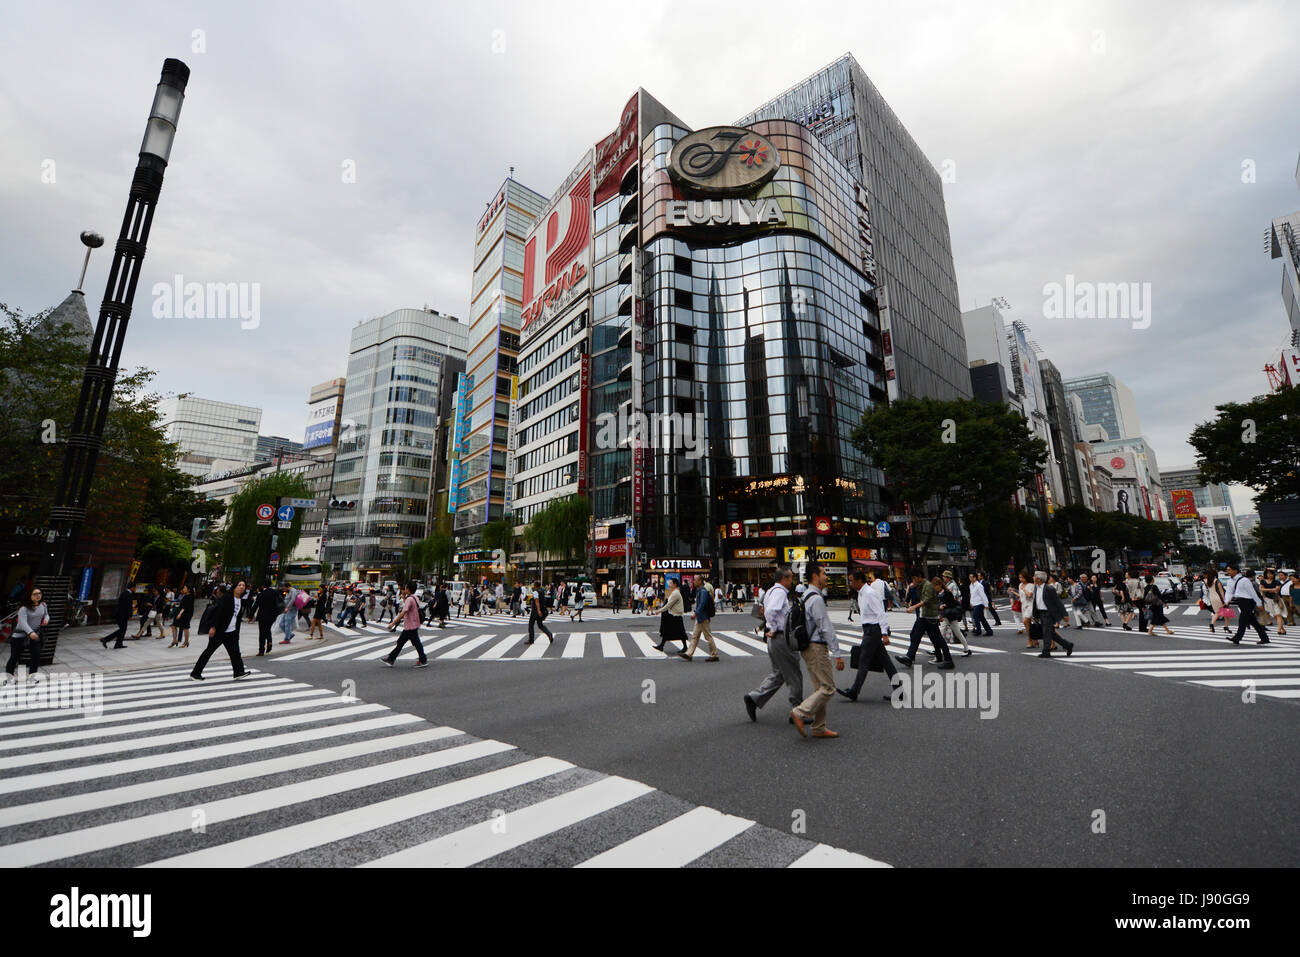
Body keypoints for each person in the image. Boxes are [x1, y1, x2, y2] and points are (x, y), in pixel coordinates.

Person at [743, 567, 804, 724]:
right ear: (784, 578)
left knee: (779, 673)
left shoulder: (770, 591)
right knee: (794, 675)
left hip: (774, 639)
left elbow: (762, 610)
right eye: (791, 577)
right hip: (781, 638)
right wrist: (774, 628)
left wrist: (770, 627)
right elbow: (770, 611)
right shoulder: (780, 592)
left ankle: (754, 698)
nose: (792, 581)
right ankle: (797, 711)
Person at [790, 564, 843, 738]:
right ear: (814, 576)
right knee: (828, 688)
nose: (826, 576)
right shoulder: (817, 599)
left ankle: (819, 727)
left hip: (806, 647)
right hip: (816, 647)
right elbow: (825, 627)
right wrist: (837, 654)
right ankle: (800, 712)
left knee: (819, 687)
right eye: (823, 573)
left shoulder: (805, 595)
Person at [838, 568, 898, 702]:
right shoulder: (861, 593)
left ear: (859, 581)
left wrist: (884, 633)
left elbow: (880, 613)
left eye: (852, 581)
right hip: (869, 630)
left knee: (863, 660)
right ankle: (899, 690)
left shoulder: (870, 593)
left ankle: (854, 691)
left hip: (873, 630)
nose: (850, 583)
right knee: (885, 661)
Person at [191, 580, 252, 681]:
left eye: (243, 585)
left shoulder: (240, 600)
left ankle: (238, 672)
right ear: (234, 587)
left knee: (235, 653)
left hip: (231, 632)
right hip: (220, 631)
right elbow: (218, 612)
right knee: (208, 652)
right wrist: (213, 627)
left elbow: (236, 618)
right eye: (239, 585)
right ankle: (195, 673)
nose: (241, 587)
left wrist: (236, 632)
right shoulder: (227, 597)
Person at [896, 571, 954, 670]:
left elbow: (926, 600)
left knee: (936, 638)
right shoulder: (921, 585)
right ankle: (910, 657)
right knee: (917, 635)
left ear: (919, 576)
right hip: (925, 616)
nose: (913, 580)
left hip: (929, 616)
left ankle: (948, 660)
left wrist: (913, 607)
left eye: (914, 578)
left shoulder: (927, 585)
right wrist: (912, 587)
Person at [380, 583, 429, 668]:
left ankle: (423, 660)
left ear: (408, 589)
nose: (404, 590)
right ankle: (391, 658)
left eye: (405, 588)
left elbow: (403, 612)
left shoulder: (410, 599)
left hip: (410, 625)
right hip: (412, 624)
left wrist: (393, 623)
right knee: (402, 642)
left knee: (414, 643)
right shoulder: (415, 597)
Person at [5, 587, 48, 679]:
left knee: (36, 656)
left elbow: (46, 614)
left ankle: (32, 675)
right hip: (19, 636)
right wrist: (30, 632)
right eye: (35, 594)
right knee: (14, 657)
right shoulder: (23, 609)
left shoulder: (43, 605)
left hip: (35, 635)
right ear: (29, 596)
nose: (38, 595)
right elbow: (23, 623)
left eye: (39, 593)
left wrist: (46, 619)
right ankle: (9, 675)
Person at [1031, 571, 1074, 658]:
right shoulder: (1036, 587)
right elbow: (1036, 601)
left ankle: (1046, 651)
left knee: (1046, 632)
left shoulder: (1049, 588)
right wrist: (1035, 615)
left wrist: (1065, 615)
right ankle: (1068, 645)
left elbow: (1058, 602)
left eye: (1034, 576)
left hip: (1049, 613)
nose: (1033, 577)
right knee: (1051, 633)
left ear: (1039, 579)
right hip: (1041, 613)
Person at [1225, 564, 1269, 645]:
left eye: (1229, 570)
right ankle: (1265, 638)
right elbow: (1229, 593)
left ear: (1235, 570)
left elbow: (1252, 592)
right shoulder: (1230, 581)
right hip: (1240, 602)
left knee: (1242, 620)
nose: (1228, 572)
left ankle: (1237, 638)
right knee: (1253, 621)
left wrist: (1259, 603)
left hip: (1248, 602)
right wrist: (1226, 602)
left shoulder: (1244, 580)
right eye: (1227, 570)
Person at [680, 573, 719, 662]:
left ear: (700, 581)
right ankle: (689, 654)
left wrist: (696, 613)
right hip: (700, 617)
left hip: (703, 617)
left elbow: (702, 604)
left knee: (708, 637)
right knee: (695, 636)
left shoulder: (703, 591)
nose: (693, 581)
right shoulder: (700, 591)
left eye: (695, 580)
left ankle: (714, 654)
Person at [938, 570, 971, 657]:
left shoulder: (952, 586)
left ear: (948, 577)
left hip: (950, 612)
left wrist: (945, 605)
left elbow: (955, 599)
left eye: (944, 577)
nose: (943, 578)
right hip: (949, 612)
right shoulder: (948, 586)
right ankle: (966, 649)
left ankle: (937, 649)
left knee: (943, 630)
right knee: (956, 631)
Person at [653, 577, 689, 653]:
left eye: (671, 583)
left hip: (676, 615)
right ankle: (661, 646)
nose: (669, 584)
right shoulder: (674, 592)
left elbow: (668, 605)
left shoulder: (675, 593)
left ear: (675, 584)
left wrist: (659, 610)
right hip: (674, 615)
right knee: (669, 631)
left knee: (680, 632)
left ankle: (685, 647)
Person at [250, 583, 281, 656]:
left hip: (262, 615)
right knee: (267, 629)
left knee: (262, 632)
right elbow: (279, 602)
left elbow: (255, 605)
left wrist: (251, 616)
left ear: (263, 586)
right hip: (272, 615)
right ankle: (269, 641)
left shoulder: (261, 594)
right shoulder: (275, 592)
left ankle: (261, 650)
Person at [100, 584, 134, 649]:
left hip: (119, 614)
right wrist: (130, 615)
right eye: (134, 588)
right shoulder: (128, 595)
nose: (134, 589)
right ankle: (106, 639)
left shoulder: (123, 593)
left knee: (123, 630)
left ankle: (118, 644)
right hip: (123, 615)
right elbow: (128, 606)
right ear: (132, 587)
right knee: (122, 630)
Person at [526, 580, 554, 645]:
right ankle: (549, 633)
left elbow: (537, 602)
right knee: (540, 625)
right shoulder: (541, 591)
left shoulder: (535, 592)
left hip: (536, 611)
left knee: (531, 625)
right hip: (542, 610)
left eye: (534, 584)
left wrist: (538, 610)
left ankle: (531, 639)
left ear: (535, 585)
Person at [1260, 570, 1287, 635]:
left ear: (1273, 575)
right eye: (1268, 574)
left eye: (1271, 574)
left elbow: (1277, 590)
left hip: (1276, 599)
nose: (1269, 575)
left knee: (1278, 614)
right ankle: (1282, 629)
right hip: (1267, 600)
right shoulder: (1263, 581)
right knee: (1275, 615)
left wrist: (1266, 590)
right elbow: (1261, 589)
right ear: (1265, 574)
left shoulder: (1276, 581)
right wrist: (1271, 589)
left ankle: (1279, 630)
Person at [167, 584, 195, 648]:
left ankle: (186, 641)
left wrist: (180, 614)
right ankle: (174, 641)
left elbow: (185, 607)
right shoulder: (185, 596)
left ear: (189, 589)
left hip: (186, 613)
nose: (183, 589)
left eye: (185, 588)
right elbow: (182, 604)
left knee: (185, 627)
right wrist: (176, 603)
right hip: (181, 612)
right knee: (174, 626)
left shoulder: (190, 596)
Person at [968, 572, 995, 637]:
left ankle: (978, 630)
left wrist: (986, 605)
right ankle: (989, 631)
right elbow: (972, 595)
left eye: (971, 577)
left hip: (980, 603)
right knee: (982, 618)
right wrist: (971, 602)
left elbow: (983, 595)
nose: (970, 578)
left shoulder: (979, 586)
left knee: (975, 616)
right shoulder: (971, 585)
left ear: (975, 578)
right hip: (975, 604)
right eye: (969, 577)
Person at [1017, 570, 1036, 646]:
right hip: (1024, 606)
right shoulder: (1020, 585)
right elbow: (1021, 596)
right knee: (1028, 624)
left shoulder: (1031, 585)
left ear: (1026, 578)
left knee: (1025, 621)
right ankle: (1034, 639)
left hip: (1030, 605)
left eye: (1022, 577)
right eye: (1019, 577)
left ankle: (1030, 640)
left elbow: (1030, 595)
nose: (1020, 579)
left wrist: (1024, 589)